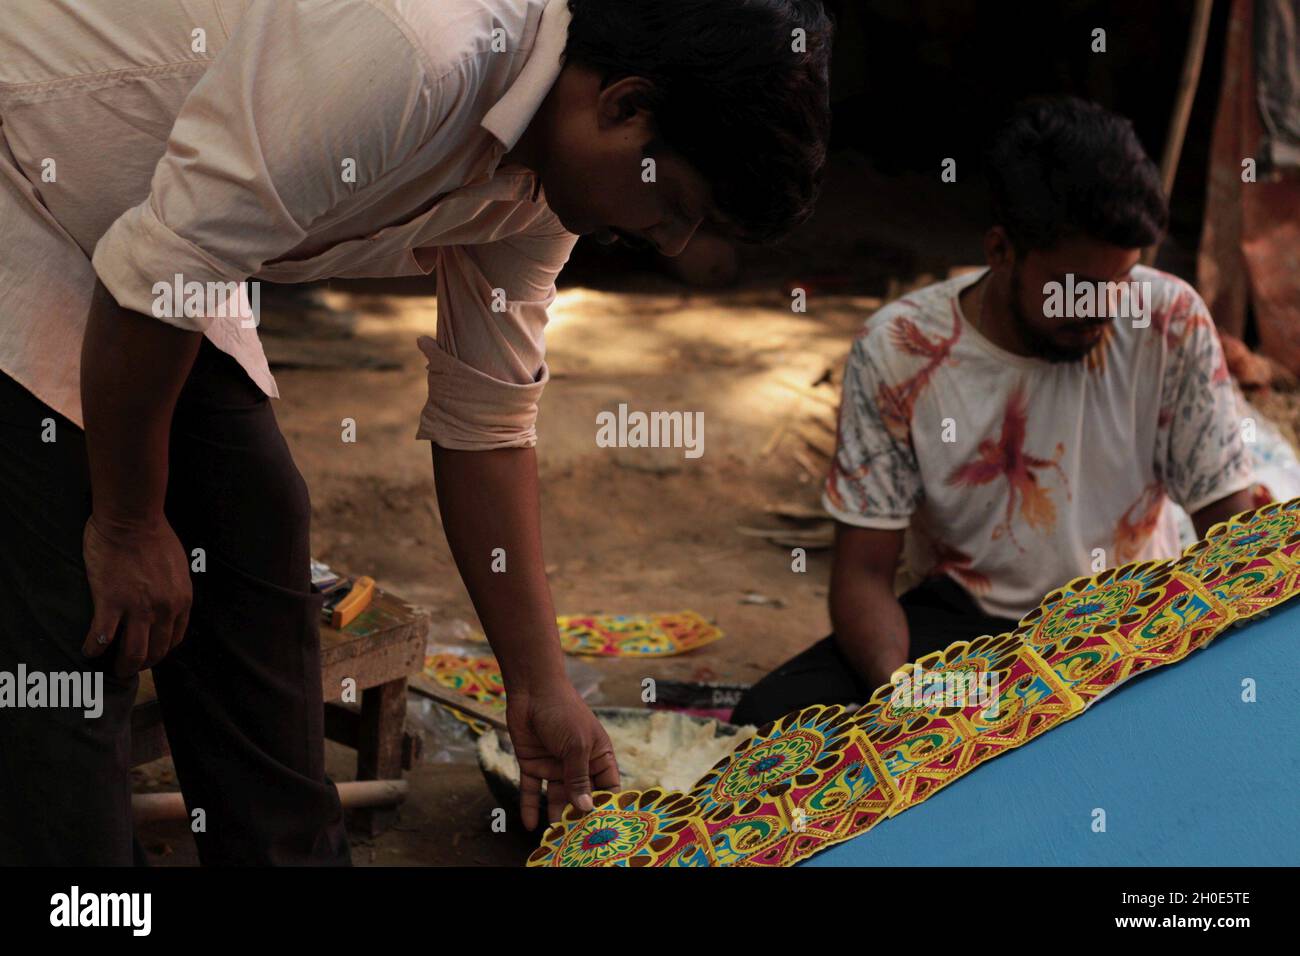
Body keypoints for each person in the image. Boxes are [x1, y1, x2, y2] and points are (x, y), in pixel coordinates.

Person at [0, 0, 833, 864]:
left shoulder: (546, 180)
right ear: (623, 106)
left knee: (253, 532)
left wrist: (539, 684)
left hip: (150, 240)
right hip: (27, 181)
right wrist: (131, 525)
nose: (674, 242)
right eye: (682, 205)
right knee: (75, 608)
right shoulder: (416, 49)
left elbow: (488, 418)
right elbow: (164, 270)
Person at [732, 97, 1256, 727]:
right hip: (969, 636)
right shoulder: (900, 350)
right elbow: (865, 575)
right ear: (1001, 249)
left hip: (1132, 620)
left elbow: (1232, 529)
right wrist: (908, 696)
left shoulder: (1169, 319)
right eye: (1073, 287)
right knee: (769, 721)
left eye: (1119, 281)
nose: (1101, 309)